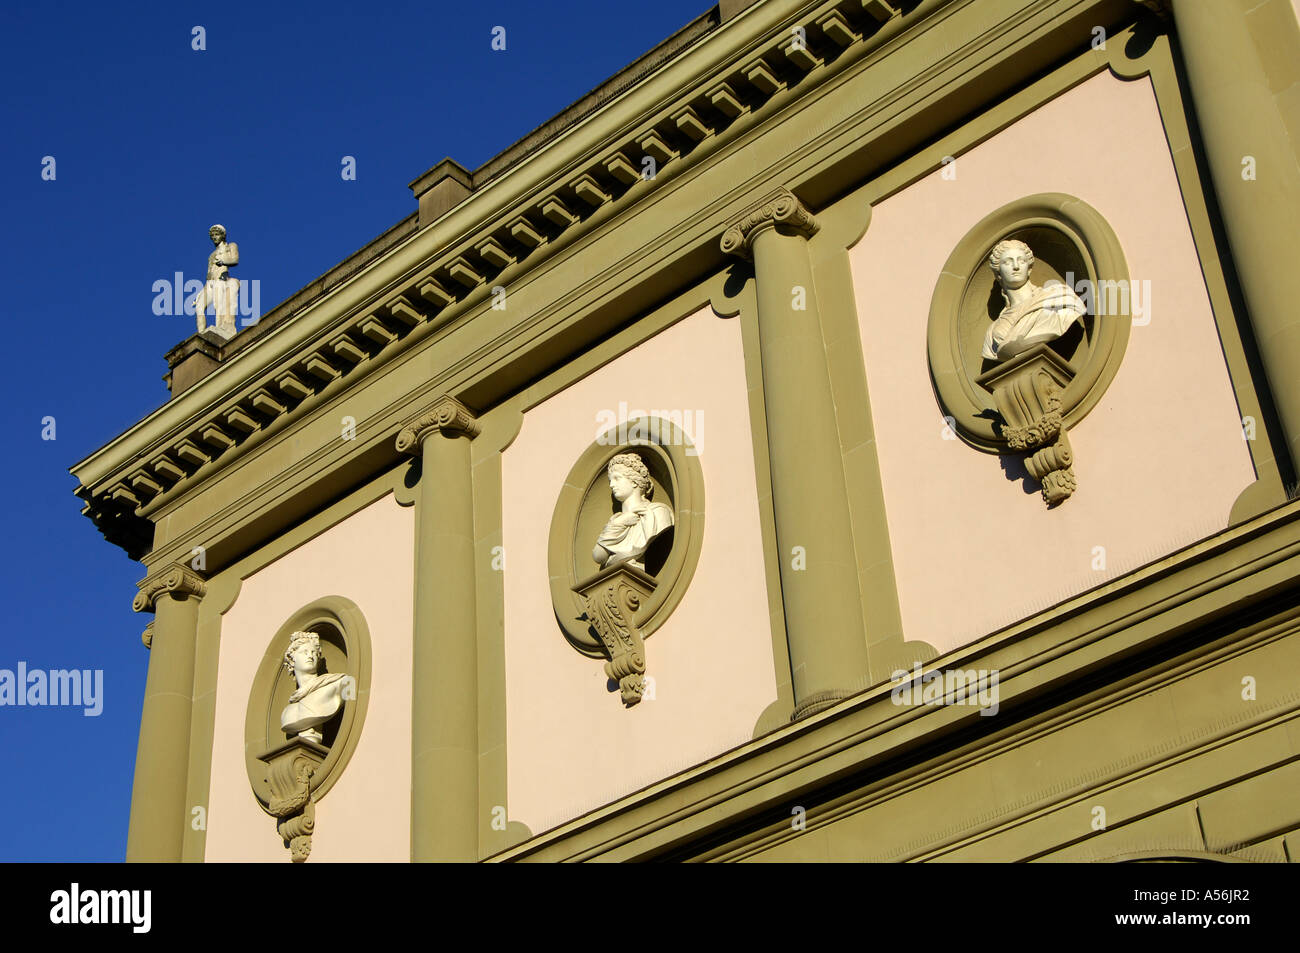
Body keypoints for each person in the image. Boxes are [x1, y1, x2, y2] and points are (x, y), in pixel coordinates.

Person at [981, 238, 1087, 361]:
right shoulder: (993, 331)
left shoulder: (1058, 297)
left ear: (1029, 268)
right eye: (1008, 262)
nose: (1016, 266)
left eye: (1021, 261)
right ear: (998, 273)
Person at [591, 452, 675, 571]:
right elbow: (598, 556)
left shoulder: (658, 512)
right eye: (610, 480)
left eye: (617, 478)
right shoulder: (616, 520)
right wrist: (619, 524)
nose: (611, 485)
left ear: (634, 481)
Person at [280, 631, 350, 744]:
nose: (310, 656)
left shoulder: (338, 684)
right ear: (292, 660)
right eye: (304, 652)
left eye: (314, 652)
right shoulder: (287, 713)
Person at [193, 224, 240, 338]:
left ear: (222, 235)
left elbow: (235, 259)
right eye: (212, 235)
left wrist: (223, 261)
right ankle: (201, 334)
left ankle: (221, 329)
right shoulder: (211, 255)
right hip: (209, 283)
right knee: (199, 307)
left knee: (218, 305)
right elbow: (209, 273)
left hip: (221, 279)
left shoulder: (230, 246)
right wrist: (202, 290)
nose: (214, 237)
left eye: (217, 234)